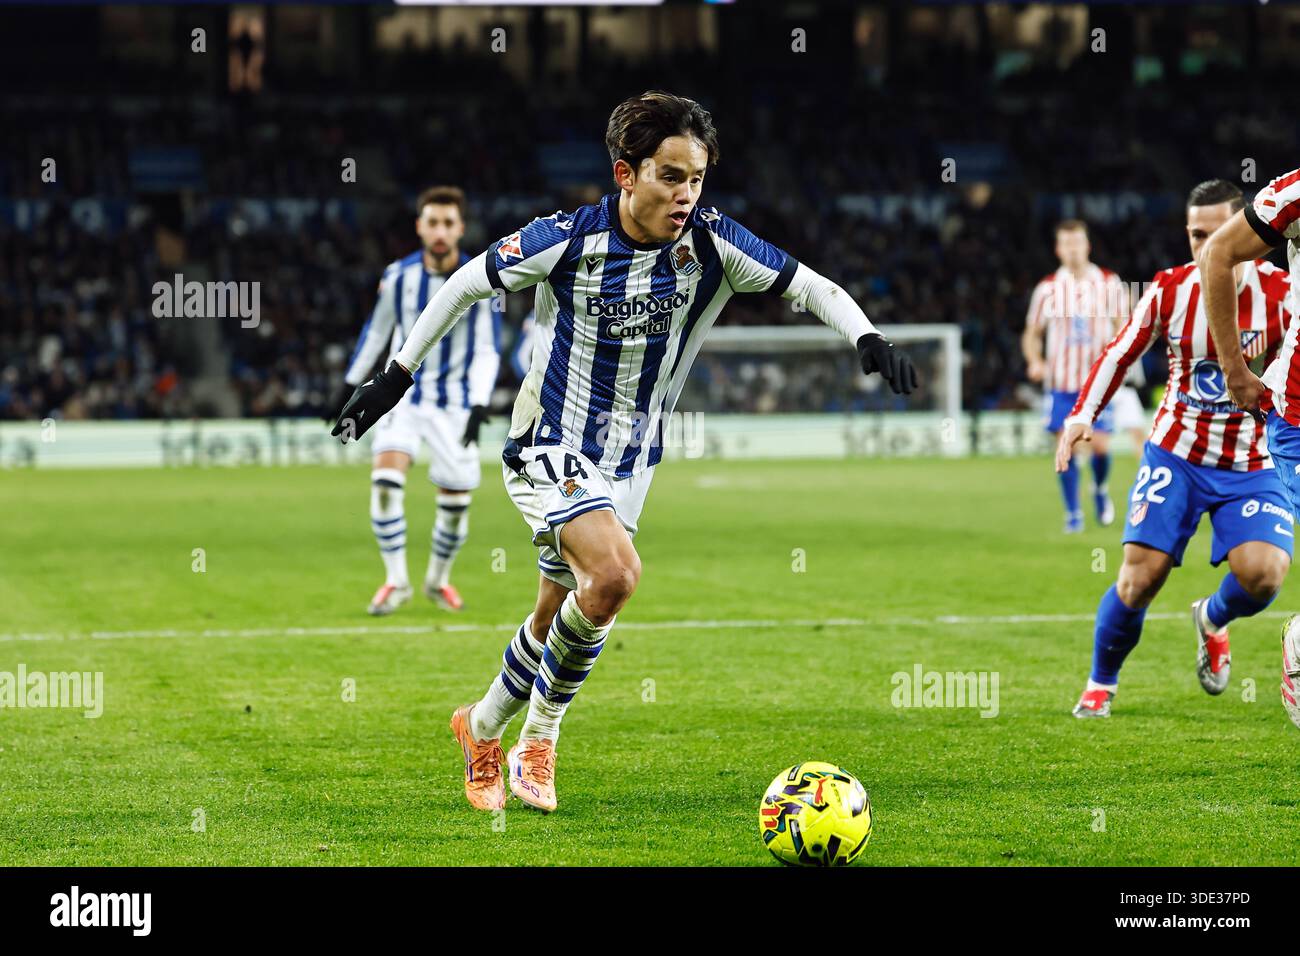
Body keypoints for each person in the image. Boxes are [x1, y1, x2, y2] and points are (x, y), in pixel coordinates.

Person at [331, 91, 917, 811]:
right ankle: (538, 741)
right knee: (615, 575)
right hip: (549, 442)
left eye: (697, 178)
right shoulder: (567, 238)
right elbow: (463, 283)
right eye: (671, 176)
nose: (687, 194)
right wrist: (396, 374)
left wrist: (868, 337)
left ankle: (480, 727)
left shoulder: (711, 241)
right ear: (625, 174)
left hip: (631, 462)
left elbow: (811, 286)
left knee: (562, 611)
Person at [1058, 180, 1293, 718]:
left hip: (1254, 462)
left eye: (1215, 234)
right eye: (1195, 234)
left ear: (1249, 231)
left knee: (1264, 576)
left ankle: (1212, 617)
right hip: (1177, 454)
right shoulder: (1168, 290)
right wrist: (1082, 416)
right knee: (1140, 578)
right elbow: (1119, 354)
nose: (1204, 245)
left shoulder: (1282, 296)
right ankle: (1101, 682)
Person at [325, 186, 499, 615]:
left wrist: (479, 403)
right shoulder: (397, 276)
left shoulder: (483, 279)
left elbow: (487, 348)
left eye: (448, 223)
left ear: (460, 228)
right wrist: (349, 384)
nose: (440, 231)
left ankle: (438, 580)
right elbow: (377, 332)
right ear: (420, 227)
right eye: (432, 222)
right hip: (399, 400)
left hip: (455, 403)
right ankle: (396, 580)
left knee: (455, 504)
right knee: (385, 484)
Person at [1023, 221, 1128, 532]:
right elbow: (1032, 332)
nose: (1072, 249)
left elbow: (1124, 326)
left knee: (1100, 447)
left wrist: (1119, 359)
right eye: (1066, 244)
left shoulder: (1109, 283)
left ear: (1087, 246)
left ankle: (1099, 488)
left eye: (1077, 243)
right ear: (1058, 249)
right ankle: (1073, 513)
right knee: (1064, 447)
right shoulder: (1048, 288)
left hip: (1098, 382)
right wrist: (1035, 359)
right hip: (1061, 383)